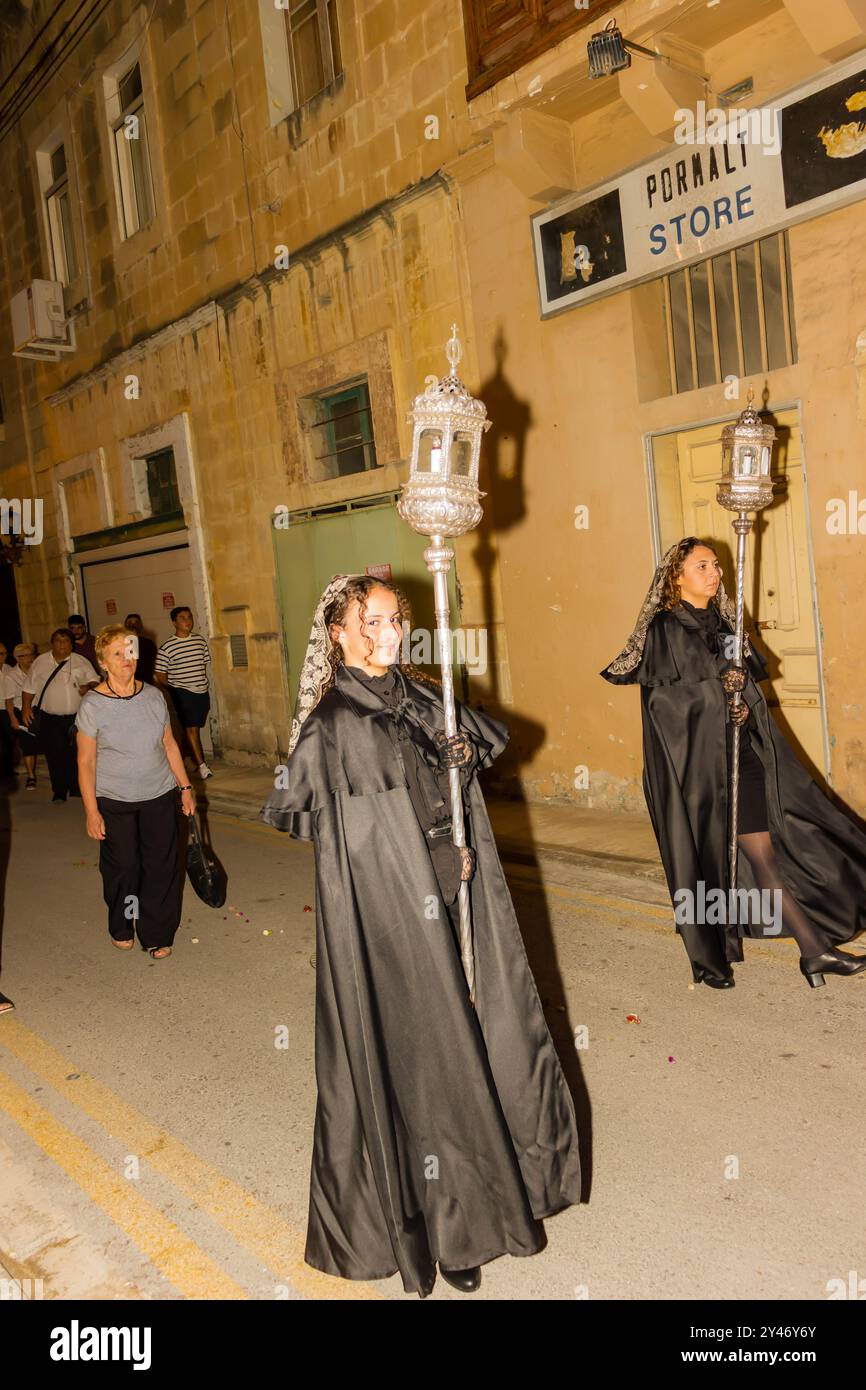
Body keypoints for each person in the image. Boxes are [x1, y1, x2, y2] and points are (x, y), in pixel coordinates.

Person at [261, 575, 582, 1299]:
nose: (391, 631)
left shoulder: (419, 695)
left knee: (480, 1043)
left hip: (459, 896)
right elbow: (358, 846)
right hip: (396, 924)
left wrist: (457, 764)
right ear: (338, 634)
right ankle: (442, 1233)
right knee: (426, 1068)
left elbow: (467, 762)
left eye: (396, 618)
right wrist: (430, 867)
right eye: (372, 620)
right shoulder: (334, 725)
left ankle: (493, 1198)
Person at [601, 536, 866, 989]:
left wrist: (742, 704)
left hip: (744, 755)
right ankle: (805, 951)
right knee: (753, 857)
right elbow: (667, 708)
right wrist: (719, 701)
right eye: (702, 565)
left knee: (785, 841)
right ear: (676, 576)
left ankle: (812, 946)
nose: (714, 572)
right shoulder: (665, 628)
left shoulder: (728, 626)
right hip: (702, 771)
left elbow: (744, 691)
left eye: (717, 565)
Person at [76, 624, 195, 959]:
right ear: (103, 661)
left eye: (130, 651)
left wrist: (185, 787)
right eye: (117, 653)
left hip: (159, 795)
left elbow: (170, 745)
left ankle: (157, 933)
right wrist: (91, 810)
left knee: (161, 866)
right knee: (124, 868)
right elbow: (85, 762)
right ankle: (124, 922)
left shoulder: (155, 696)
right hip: (115, 801)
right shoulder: (93, 705)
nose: (126, 659)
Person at [20, 630, 98, 802]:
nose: (62, 644)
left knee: (77, 753)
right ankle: (59, 790)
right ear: (52, 643)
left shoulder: (81, 661)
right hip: (50, 718)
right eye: (58, 641)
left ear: (72, 644)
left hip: (77, 718)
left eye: (66, 641)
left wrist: (89, 687)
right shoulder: (40, 662)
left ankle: (77, 787)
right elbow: (28, 688)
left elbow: (95, 682)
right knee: (54, 753)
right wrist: (26, 708)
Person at [155, 606, 213, 779]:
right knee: (191, 729)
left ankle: (192, 759)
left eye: (189, 617)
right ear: (174, 622)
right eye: (182, 618)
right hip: (182, 693)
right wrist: (175, 690)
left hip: (201, 691)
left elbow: (203, 665)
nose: (187, 621)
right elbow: (160, 674)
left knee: (196, 726)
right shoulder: (167, 647)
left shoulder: (199, 641)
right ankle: (202, 766)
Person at [3, 643, 39, 789]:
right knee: (28, 744)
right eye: (25, 655)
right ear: (17, 658)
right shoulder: (11, 676)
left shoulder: (38, 670)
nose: (30, 658)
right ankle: (31, 776)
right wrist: (12, 719)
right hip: (21, 710)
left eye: (31, 654)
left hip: (40, 709)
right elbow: (8, 701)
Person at [124, 613, 158, 684]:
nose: (133, 625)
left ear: (141, 625)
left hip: (146, 683)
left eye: (136, 622)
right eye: (130, 622)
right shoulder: (119, 643)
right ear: (125, 625)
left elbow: (154, 664)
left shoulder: (149, 643)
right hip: (125, 683)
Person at [0, 642, 13, 783]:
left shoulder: (8, 668)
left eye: (5, 653)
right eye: (1, 653)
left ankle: (8, 770)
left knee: (8, 740)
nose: (4, 656)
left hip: (6, 709)